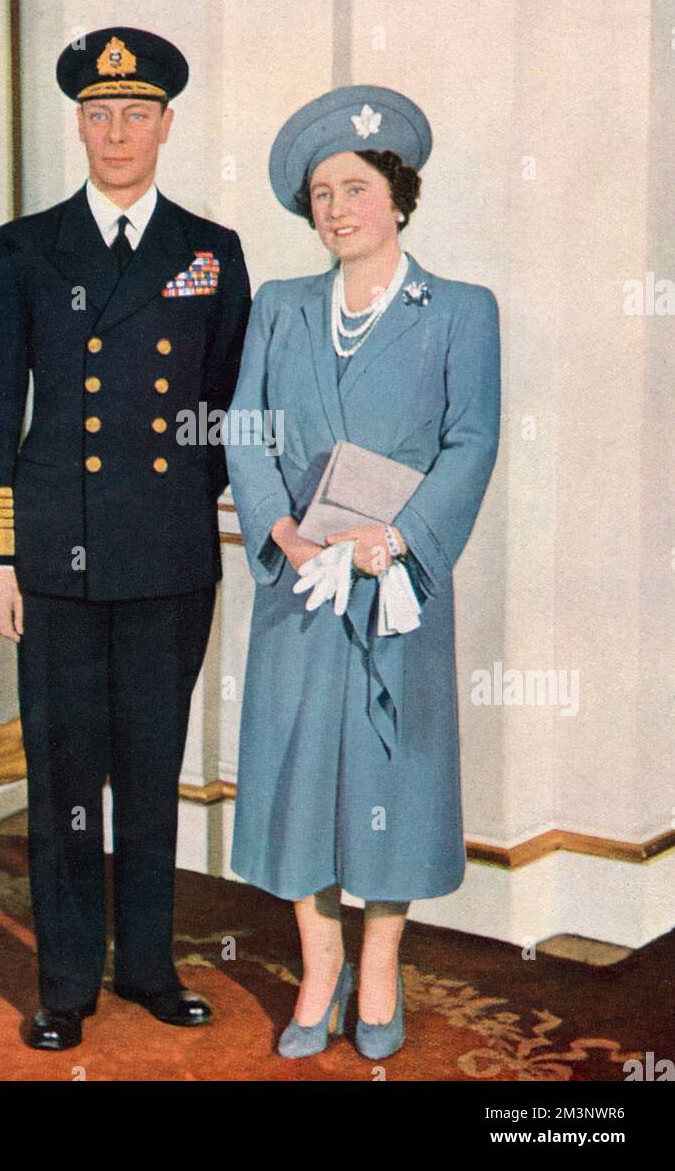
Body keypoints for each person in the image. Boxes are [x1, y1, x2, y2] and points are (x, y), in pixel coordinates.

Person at [0, 26, 252, 1050]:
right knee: (61, 772)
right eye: (98, 113)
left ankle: (146, 963)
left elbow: (224, 406)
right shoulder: (26, 246)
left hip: (169, 554)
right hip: (53, 552)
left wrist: (211, 514)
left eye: (135, 114)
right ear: (77, 125)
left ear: (166, 126)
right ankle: (66, 981)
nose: (116, 131)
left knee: (149, 763)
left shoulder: (210, 251)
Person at [224, 85, 500, 1060]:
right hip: (300, 583)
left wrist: (401, 536)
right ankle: (320, 963)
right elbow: (245, 430)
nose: (334, 208)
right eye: (318, 194)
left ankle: (379, 965)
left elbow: (469, 443)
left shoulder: (460, 310)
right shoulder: (280, 306)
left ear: (396, 193)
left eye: (353, 186)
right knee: (295, 767)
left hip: (394, 585)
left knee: (394, 771)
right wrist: (285, 533)